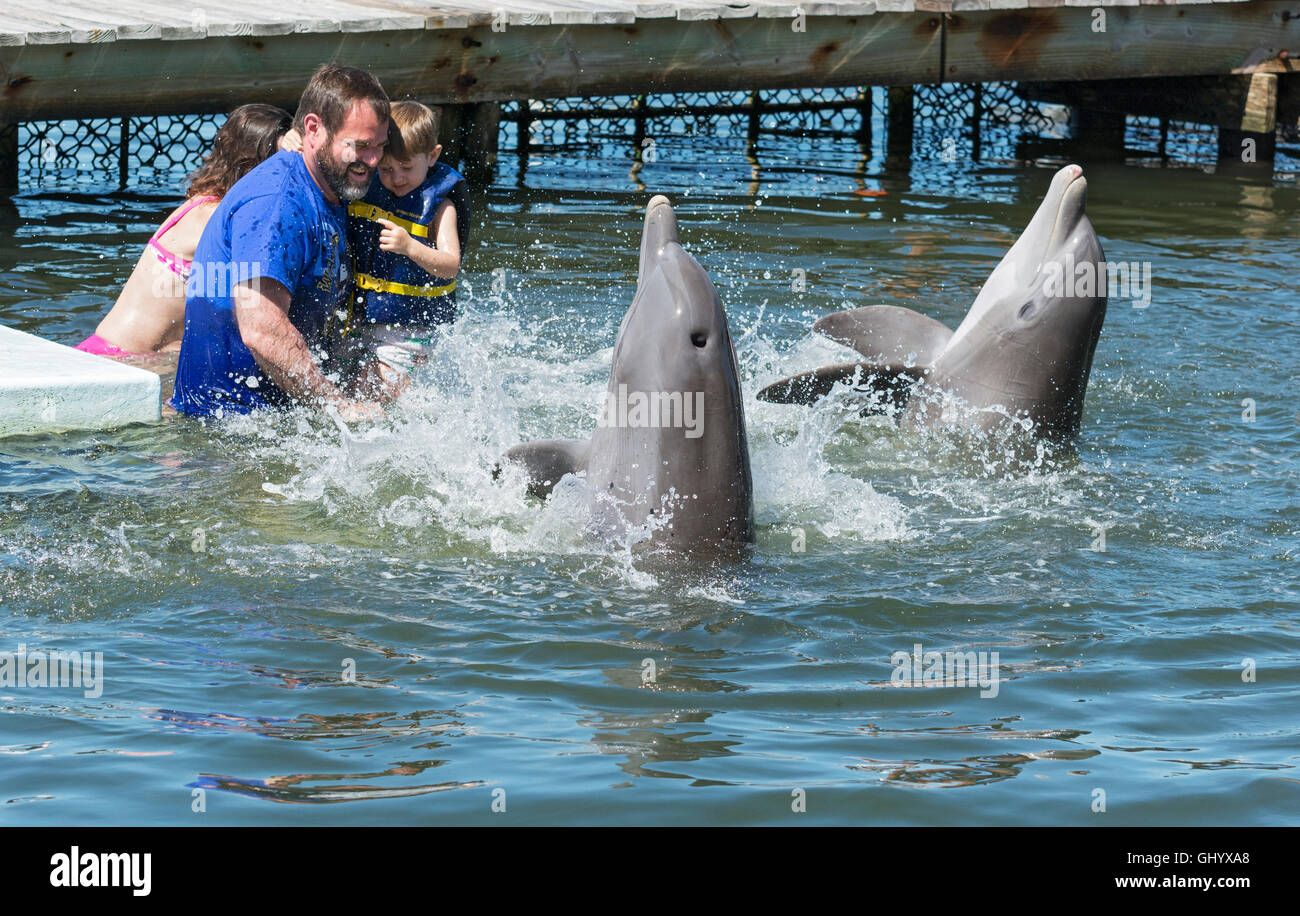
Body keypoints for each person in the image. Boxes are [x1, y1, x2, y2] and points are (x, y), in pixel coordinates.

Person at [171, 65, 403, 422]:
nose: (373, 161)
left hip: (284, 411)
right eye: (359, 146)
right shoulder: (276, 204)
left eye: (379, 146)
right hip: (226, 426)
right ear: (313, 129)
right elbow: (262, 331)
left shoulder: (332, 185)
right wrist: (340, 406)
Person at [76, 104, 299, 358]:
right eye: (278, 164)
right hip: (124, 362)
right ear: (253, 165)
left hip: (103, 351)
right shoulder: (216, 217)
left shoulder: (202, 202)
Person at [344, 100, 469, 369]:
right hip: (360, 317)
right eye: (386, 169)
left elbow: (450, 266)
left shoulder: (441, 209)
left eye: (406, 168)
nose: (396, 178)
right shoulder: (370, 189)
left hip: (411, 329)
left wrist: (411, 247)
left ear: (433, 156)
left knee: (373, 397)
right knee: (337, 390)